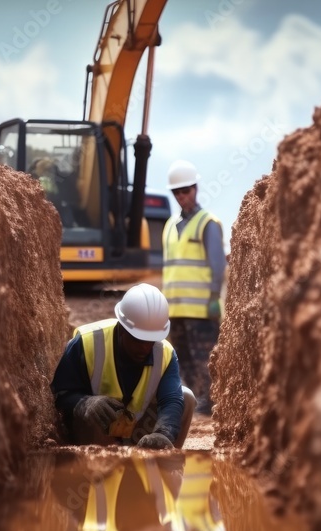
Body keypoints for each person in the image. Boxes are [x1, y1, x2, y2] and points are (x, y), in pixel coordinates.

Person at [50, 283, 195, 449]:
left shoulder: (165, 353)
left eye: (150, 341)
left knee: (186, 397)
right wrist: (85, 403)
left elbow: (172, 400)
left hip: (138, 432)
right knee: (91, 415)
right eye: (138, 340)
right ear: (121, 328)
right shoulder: (86, 342)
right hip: (95, 434)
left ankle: (164, 467)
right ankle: (96, 468)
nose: (144, 348)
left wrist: (163, 434)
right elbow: (61, 394)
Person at [161, 160, 226, 416]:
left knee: (204, 362)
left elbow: (218, 265)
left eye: (185, 190)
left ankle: (209, 406)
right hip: (175, 310)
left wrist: (213, 297)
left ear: (195, 189)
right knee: (182, 363)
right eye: (176, 192)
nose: (181, 196)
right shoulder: (168, 227)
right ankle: (191, 405)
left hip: (200, 310)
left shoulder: (207, 223)